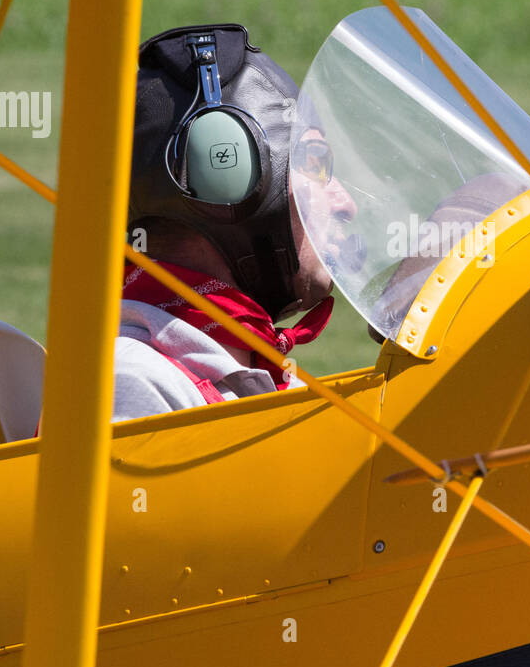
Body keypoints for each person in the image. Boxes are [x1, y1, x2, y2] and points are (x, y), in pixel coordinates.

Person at [113, 23, 355, 422]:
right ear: (225, 175)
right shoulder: (134, 385)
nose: (345, 203)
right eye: (315, 164)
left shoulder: (263, 381)